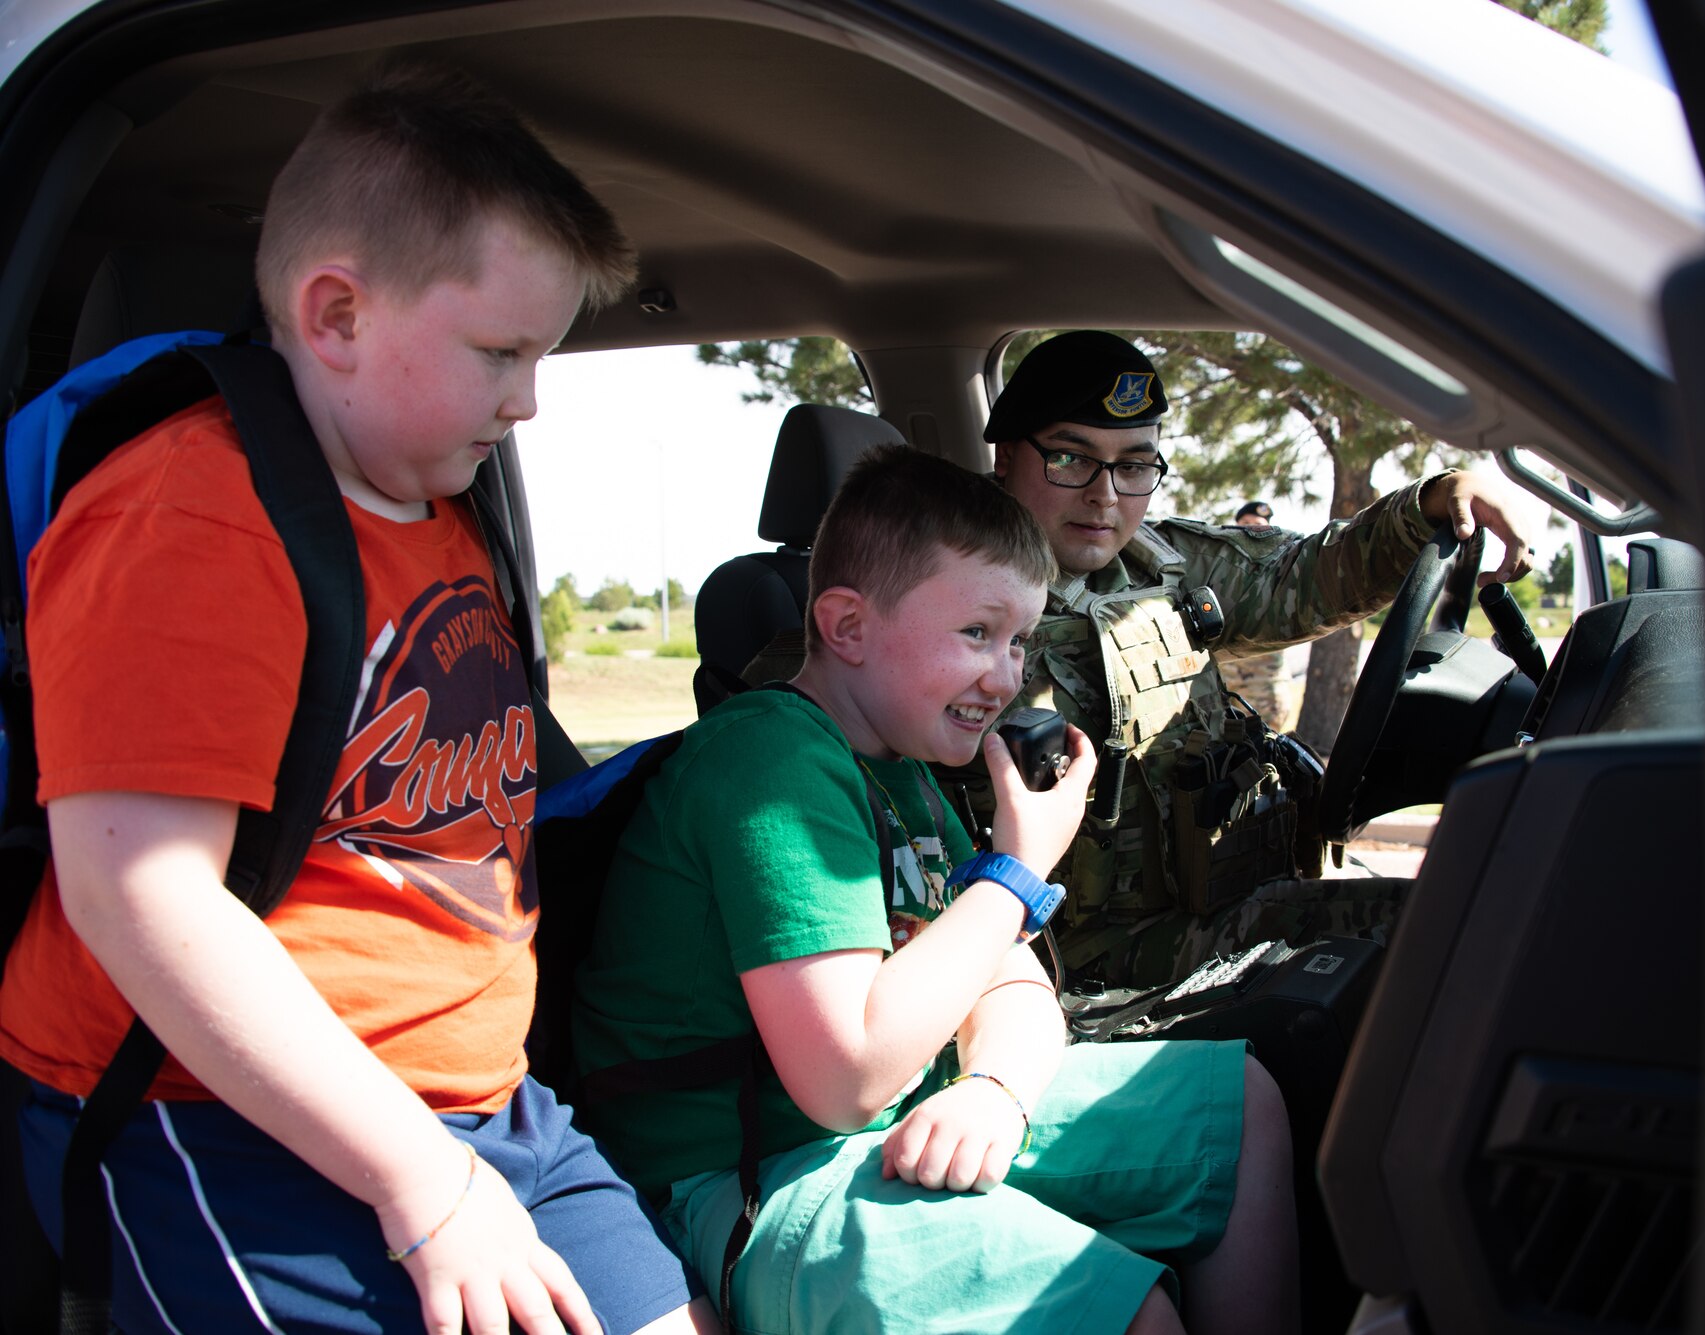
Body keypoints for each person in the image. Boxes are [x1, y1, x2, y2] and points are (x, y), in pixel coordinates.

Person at [0, 67, 714, 1335]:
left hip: (491, 1107)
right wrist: (422, 1182)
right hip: (228, 1120)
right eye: (501, 352)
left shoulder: (443, 517)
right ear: (335, 313)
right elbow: (138, 893)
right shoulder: (192, 513)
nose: (527, 399)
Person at [571, 446, 1301, 1335]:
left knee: (1236, 1113)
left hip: (893, 1114)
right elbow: (847, 1079)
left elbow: (1019, 984)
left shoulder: (904, 773)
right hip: (756, 1180)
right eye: (977, 635)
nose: (1007, 674)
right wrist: (1016, 872)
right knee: (1129, 1314)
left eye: (1021, 640)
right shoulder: (770, 762)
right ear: (847, 628)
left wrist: (996, 1085)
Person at [973, 330, 1537, 986]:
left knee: (1462, 921)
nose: (1105, 495)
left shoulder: (1166, 567)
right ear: (1007, 456)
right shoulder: (949, 595)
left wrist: (1435, 501)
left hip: (1219, 904)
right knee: (1433, 949)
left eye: (1133, 465)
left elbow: (1306, 578)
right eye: (1071, 458)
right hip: (1087, 965)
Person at [1216, 500, 1292, 729]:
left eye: (1257, 524)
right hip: (1226, 680)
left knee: (1265, 747)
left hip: (1263, 682)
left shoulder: (1280, 563)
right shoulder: (1223, 564)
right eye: (1244, 523)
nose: (1250, 529)